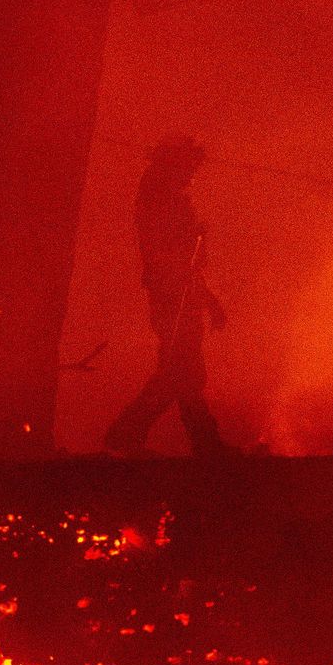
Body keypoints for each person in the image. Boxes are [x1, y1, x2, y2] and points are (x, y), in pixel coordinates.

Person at [106, 139, 227, 455]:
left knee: (183, 374)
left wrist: (207, 299)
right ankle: (126, 434)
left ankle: (203, 444)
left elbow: (183, 259)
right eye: (189, 167)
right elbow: (174, 259)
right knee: (181, 372)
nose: (192, 175)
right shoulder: (162, 203)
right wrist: (205, 298)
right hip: (174, 297)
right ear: (174, 165)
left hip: (177, 294)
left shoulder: (163, 199)